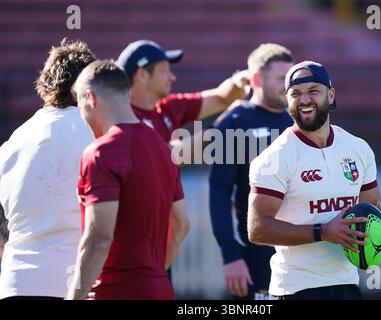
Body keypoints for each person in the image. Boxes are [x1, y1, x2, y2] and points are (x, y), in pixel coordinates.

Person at [248, 61, 381, 300]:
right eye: (295, 93)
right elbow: (257, 229)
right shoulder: (274, 158)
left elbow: (374, 209)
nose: (304, 100)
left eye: (313, 91)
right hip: (296, 290)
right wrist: (323, 232)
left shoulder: (357, 148)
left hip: (347, 286)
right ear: (287, 101)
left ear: (330, 95)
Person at [66, 60, 189, 300]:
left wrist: (74, 296)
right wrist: (152, 273)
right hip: (160, 289)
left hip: (113, 291)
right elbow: (182, 224)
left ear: (90, 98)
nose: (82, 116)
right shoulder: (164, 150)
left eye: (79, 105)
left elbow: (99, 237)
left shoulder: (100, 152)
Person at [0, 39, 96, 300]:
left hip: (15, 284)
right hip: (77, 286)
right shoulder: (99, 135)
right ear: (89, 88)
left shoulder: (13, 142)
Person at [208, 43, 294, 299]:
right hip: (256, 256)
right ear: (256, 79)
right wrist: (230, 254)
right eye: (280, 79)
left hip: (303, 253)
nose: (287, 87)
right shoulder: (236, 123)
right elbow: (219, 192)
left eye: (289, 79)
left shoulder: (299, 120)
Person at [116, 40, 249, 144]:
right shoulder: (123, 119)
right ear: (143, 75)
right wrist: (215, 129)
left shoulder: (167, 107)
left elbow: (221, 98)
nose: (172, 77)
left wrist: (237, 81)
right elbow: (167, 157)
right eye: (164, 70)